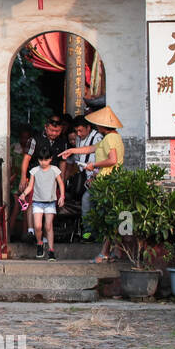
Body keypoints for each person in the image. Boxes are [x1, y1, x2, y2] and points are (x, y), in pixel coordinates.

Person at [78, 106, 125, 263]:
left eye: (98, 124)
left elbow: (112, 160)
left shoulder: (110, 138)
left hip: (107, 183)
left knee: (108, 217)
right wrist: (71, 151)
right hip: (107, 179)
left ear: (104, 126)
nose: (97, 127)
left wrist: (94, 166)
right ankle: (116, 251)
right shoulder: (113, 137)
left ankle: (104, 252)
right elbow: (90, 149)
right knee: (113, 216)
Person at [17, 116, 68, 243]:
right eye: (51, 130)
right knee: (31, 201)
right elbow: (26, 159)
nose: (54, 133)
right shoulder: (35, 140)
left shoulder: (62, 142)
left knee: (48, 206)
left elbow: (63, 163)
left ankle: (44, 235)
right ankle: (30, 231)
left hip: (52, 181)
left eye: (57, 131)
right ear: (46, 127)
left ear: (61, 130)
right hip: (35, 177)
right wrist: (23, 178)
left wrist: (61, 181)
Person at [58, 116, 104, 238]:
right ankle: (89, 233)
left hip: (95, 179)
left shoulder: (97, 138)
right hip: (83, 179)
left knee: (88, 202)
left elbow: (102, 159)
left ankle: (91, 234)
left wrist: (95, 175)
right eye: (77, 131)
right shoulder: (79, 138)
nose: (78, 134)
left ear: (88, 128)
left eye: (81, 131)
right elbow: (73, 160)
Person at [21, 149, 64, 260]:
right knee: (38, 226)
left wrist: (62, 196)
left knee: (48, 226)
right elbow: (30, 186)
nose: (43, 162)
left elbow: (60, 183)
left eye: (46, 160)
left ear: (50, 159)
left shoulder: (55, 170)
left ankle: (51, 251)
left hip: (50, 202)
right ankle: (40, 243)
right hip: (37, 202)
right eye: (41, 160)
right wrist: (24, 194)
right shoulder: (34, 171)